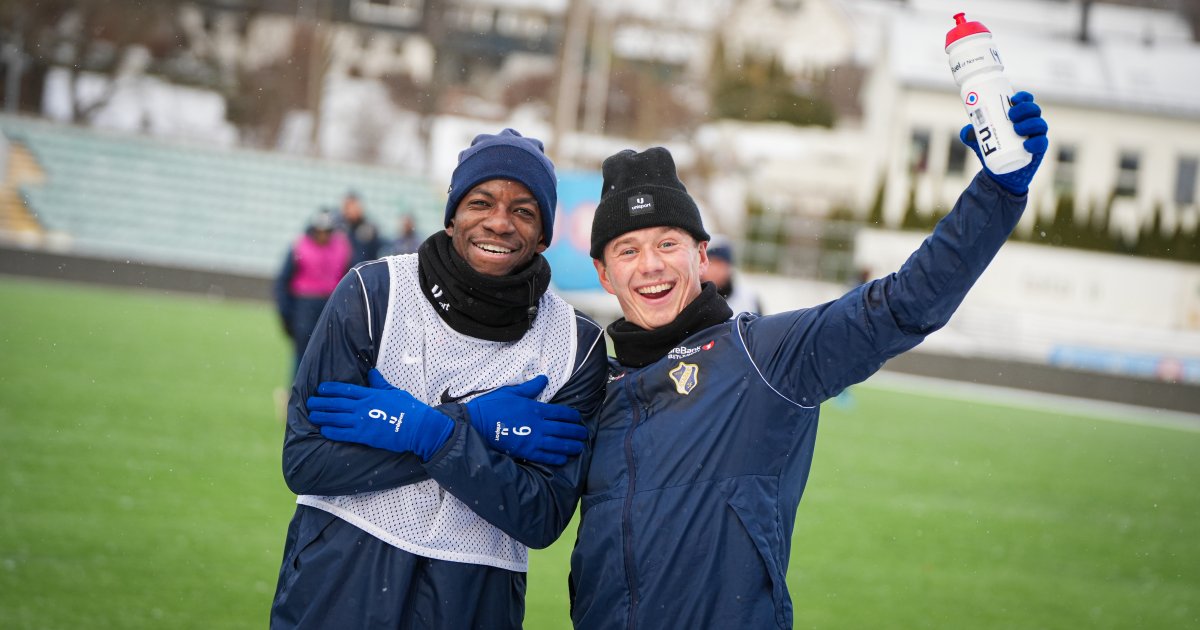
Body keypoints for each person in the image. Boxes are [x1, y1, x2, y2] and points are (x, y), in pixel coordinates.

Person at [568, 92, 1049, 628]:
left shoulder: (766, 357)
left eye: (667, 243)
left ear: (701, 255)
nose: (650, 266)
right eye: (628, 251)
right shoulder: (594, 390)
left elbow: (905, 303)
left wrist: (997, 192)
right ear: (605, 274)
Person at [270, 129, 608, 629]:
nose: (499, 222)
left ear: (543, 235)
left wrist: (430, 432)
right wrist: (468, 425)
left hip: (475, 594)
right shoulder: (373, 293)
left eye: (523, 210)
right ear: (452, 217)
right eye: (481, 201)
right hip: (340, 568)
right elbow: (307, 462)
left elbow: (540, 517)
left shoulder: (577, 346)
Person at [274, 209, 353, 374]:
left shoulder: (341, 247)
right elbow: (283, 281)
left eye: (327, 232)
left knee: (330, 353)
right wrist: (286, 314)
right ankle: (296, 395)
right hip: (305, 305)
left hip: (331, 303)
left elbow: (349, 279)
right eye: (319, 231)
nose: (323, 236)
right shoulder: (300, 246)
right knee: (302, 353)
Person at [701, 234, 763, 315]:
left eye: (720, 264)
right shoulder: (689, 297)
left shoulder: (749, 301)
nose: (715, 270)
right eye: (712, 263)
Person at [336, 190, 383, 264]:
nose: (347, 210)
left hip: (363, 272)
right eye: (345, 206)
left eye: (350, 206)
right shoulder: (338, 227)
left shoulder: (369, 229)